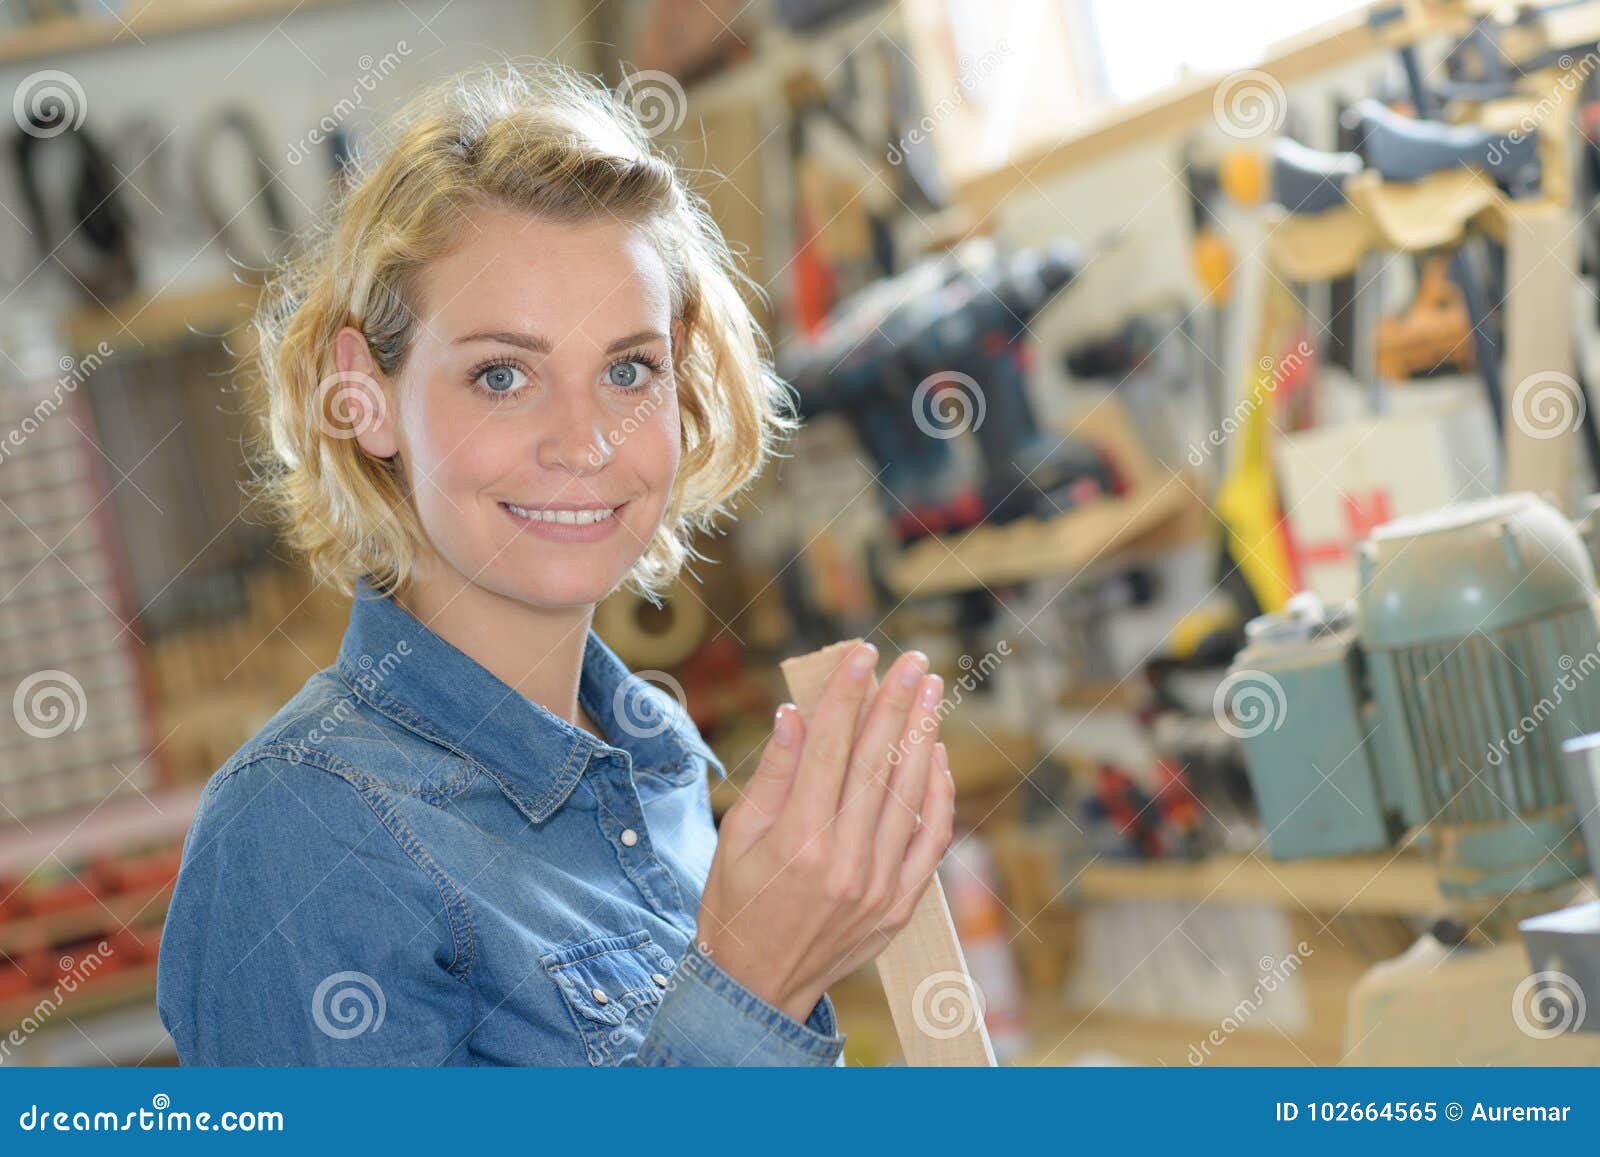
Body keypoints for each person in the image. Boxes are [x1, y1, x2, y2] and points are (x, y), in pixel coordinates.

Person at [155, 61, 954, 1066]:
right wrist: (755, 985)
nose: (584, 442)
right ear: (365, 394)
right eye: (501, 374)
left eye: (629, 368)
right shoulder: (298, 830)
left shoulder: (656, 759)